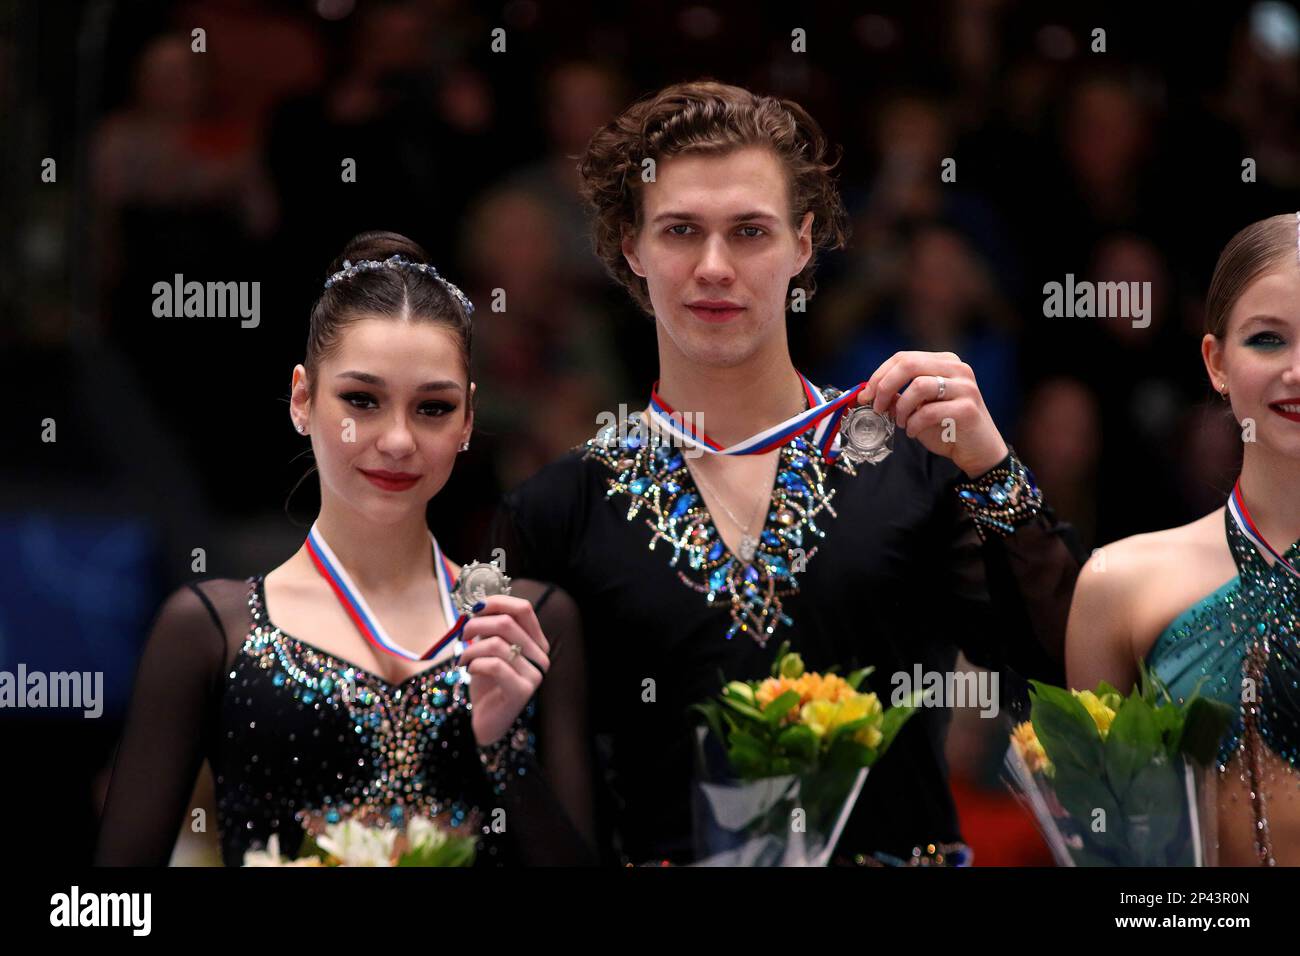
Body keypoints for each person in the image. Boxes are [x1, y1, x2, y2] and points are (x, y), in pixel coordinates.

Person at [488, 80, 1084, 866]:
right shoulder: (558, 508)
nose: (713, 266)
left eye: (749, 232)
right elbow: (519, 779)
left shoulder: (916, 464)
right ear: (630, 246)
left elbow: (1064, 665)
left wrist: (993, 467)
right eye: (679, 231)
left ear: (804, 244)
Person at [94, 231, 595, 866]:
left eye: (432, 408)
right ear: (303, 398)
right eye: (362, 400)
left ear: (468, 419)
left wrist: (504, 751)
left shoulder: (527, 622)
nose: (396, 440)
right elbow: (102, 908)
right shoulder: (208, 631)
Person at [1067, 213, 1300, 866]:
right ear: (1217, 362)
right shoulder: (1120, 583)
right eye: (1267, 340)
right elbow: (1105, 853)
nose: (1297, 371)